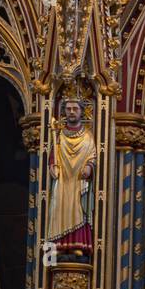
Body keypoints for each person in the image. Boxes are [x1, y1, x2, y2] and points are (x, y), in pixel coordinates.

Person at [46, 98, 97, 252]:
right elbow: (53, 156)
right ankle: (58, 248)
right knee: (59, 209)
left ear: (82, 111)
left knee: (78, 209)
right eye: (68, 109)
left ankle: (78, 245)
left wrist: (89, 167)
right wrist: (52, 166)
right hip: (63, 182)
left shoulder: (88, 136)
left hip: (78, 182)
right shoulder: (59, 136)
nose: (72, 112)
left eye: (75, 108)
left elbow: (92, 155)